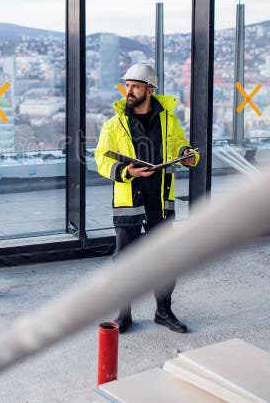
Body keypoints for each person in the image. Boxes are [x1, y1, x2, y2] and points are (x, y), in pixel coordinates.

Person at [94, 62, 199, 334]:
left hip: (160, 201)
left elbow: (178, 144)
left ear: (149, 90)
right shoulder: (114, 124)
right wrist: (125, 171)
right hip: (129, 199)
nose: (129, 91)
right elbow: (101, 159)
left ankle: (163, 312)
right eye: (128, 85)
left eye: (136, 86)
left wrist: (187, 154)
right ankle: (124, 315)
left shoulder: (168, 120)